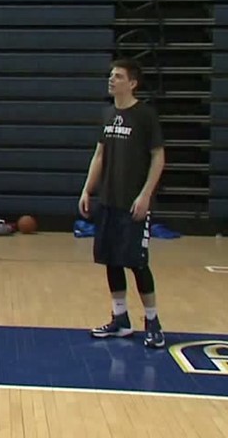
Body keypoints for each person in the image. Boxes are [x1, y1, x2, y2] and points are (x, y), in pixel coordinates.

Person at [78, 58, 166, 349]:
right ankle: (120, 319)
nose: (111, 80)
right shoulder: (108, 114)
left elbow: (158, 157)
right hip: (109, 200)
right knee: (110, 259)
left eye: (118, 76)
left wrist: (145, 195)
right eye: (111, 75)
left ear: (132, 83)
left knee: (137, 263)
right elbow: (99, 156)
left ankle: (152, 321)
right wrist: (87, 190)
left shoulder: (145, 116)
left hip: (134, 203)